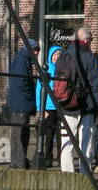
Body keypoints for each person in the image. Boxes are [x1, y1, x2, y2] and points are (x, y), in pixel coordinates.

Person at [56, 28, 98, 175]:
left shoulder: (63, 55)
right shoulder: (89, 57)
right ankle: (85, 178)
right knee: (85, 144)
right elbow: (96, 85)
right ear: (86, 41)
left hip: (66, 104)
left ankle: (67, 176)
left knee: (66, 143)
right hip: (86, 106)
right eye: (91, 40)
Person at [6, 38, 39, 170]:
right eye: (35, 50)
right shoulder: (23, 61)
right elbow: (22, 82)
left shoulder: (21, 59)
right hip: (21, 103)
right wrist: (29, 95)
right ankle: (19, 163)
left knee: (17, 133)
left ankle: (16, 162)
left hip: (18, 102)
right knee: (20, 133)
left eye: (37, 50)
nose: (37, 53)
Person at [35, 44, 63, 169]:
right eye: (54, 55)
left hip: (60, 107)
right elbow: (39, 90)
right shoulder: (45, 70)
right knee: (49, 134)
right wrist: (40, 108)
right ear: (51, 57)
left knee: (61, 134)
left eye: (59, 55)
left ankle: (61, 158)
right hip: (48, 107)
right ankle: (48, 158)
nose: (56, 57)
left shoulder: (64, 69)